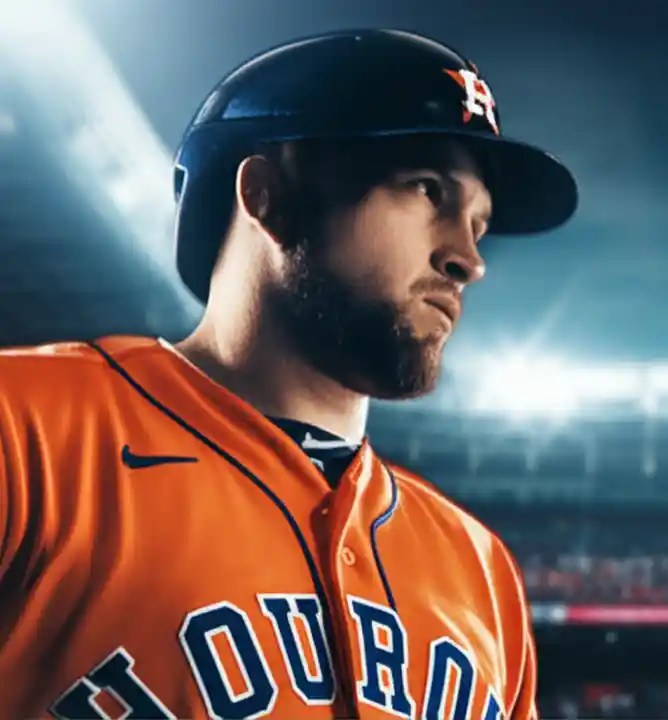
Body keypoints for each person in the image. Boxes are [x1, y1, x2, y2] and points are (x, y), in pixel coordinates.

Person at [0, 29, 577, 718]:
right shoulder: (27, 429)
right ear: (268, 196)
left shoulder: (479, 569)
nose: (468, 260)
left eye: (478, 226)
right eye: (427, 191)